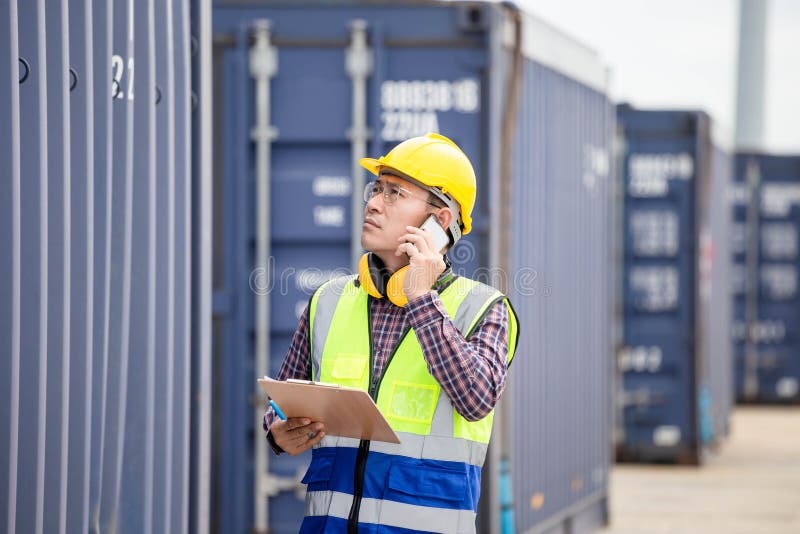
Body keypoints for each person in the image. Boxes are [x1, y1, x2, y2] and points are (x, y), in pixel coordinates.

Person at [263, 133, 519, 533]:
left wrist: (421, 298)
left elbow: (475, 399)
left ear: (440, 221)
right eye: (376, 188)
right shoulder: (327, 302)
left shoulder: (483, 308)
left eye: (395, 192)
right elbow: (282, 401)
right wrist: (277, 434)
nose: (374, 202)